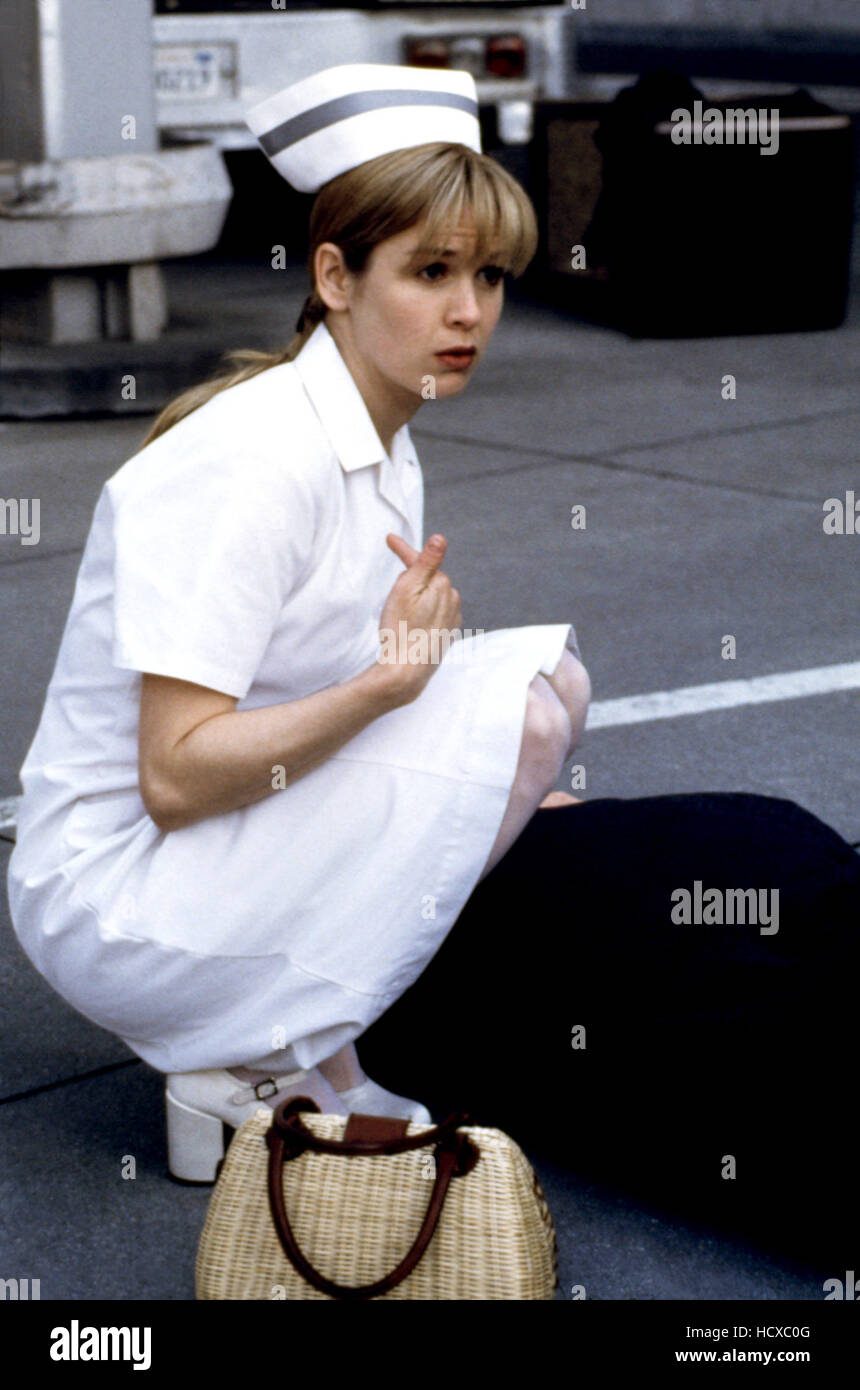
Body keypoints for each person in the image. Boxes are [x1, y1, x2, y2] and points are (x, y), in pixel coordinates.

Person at [6, 64, 591, 1184]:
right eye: (430, 272)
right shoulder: (250, 459)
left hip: (210, 838)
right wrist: (392, 689)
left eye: (489, 275)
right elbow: (174, 778)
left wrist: (467, 774)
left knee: (550, 689)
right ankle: (255, 1054)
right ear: (333, 276)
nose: (469, 312)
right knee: (522, 712)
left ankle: (308, 1043)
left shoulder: (379, 431)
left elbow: (301, 696)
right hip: (118, 896)